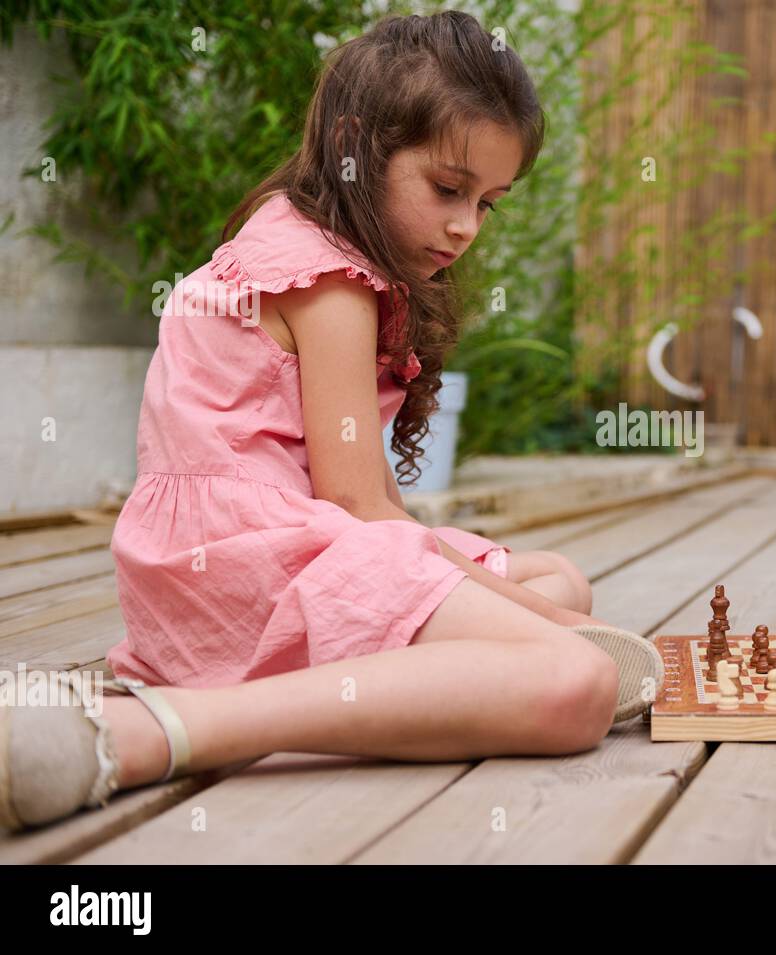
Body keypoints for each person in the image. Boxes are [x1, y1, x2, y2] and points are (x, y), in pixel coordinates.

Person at [0, 12, 662, 833]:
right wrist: (569, 634)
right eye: (448, 189)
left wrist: (551, 612)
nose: (465, 227)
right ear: (361, 148)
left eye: (489, 204)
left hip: (247, 557)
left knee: (557, 578)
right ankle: (157, 732)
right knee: (580, 682)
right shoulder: (330, 281)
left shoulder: (306, 239)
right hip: (245, 568)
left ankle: (329, 694)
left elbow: (377, 509)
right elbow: (363, 511)